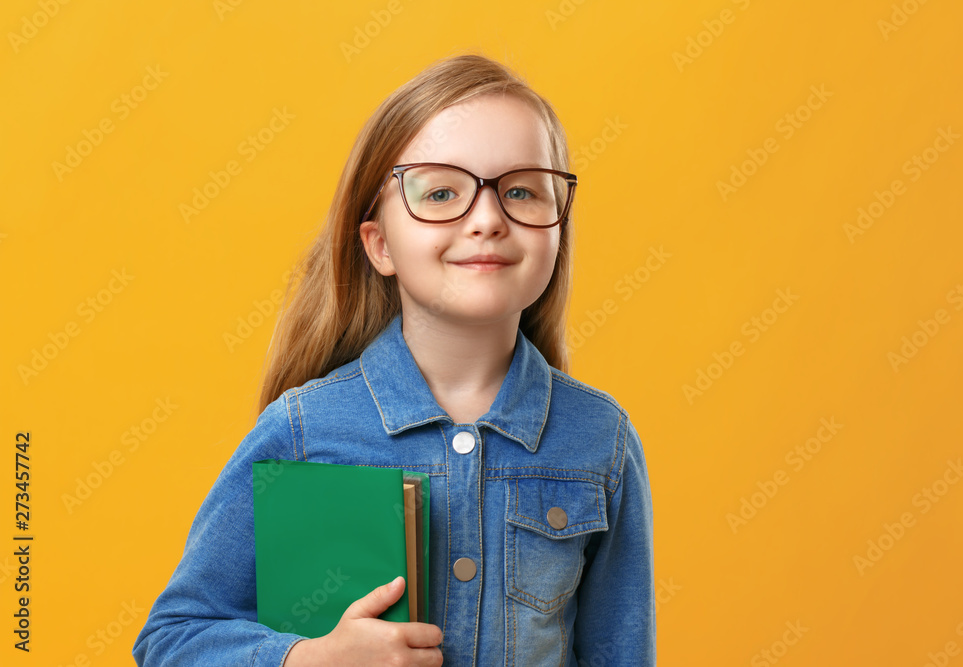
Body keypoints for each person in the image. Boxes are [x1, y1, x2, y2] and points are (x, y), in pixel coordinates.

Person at [133, 52, 655, 666]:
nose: (487, 219)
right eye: (440, 192)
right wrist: (309, 659)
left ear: (557, 229)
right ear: (380, 244)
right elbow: (171, 639)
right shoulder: (303, 431)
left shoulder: (601, 440)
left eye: (520, 191)